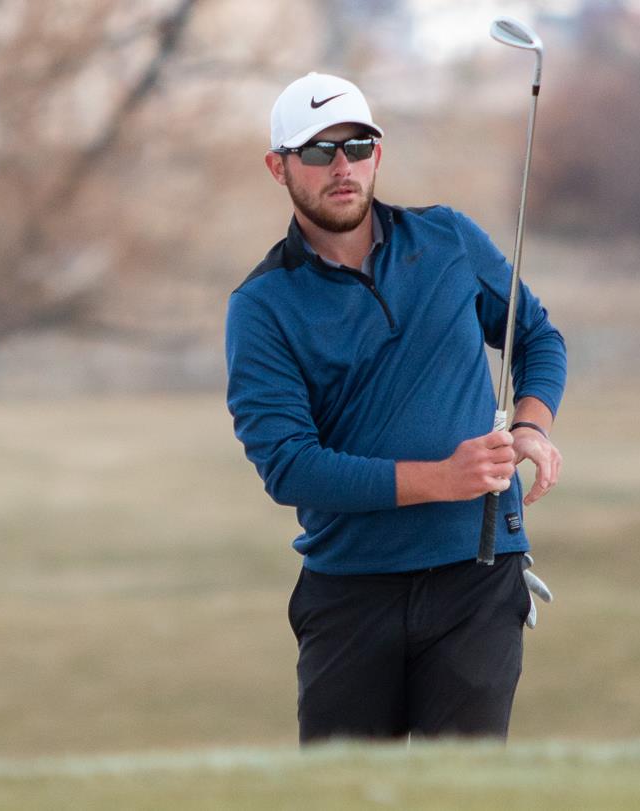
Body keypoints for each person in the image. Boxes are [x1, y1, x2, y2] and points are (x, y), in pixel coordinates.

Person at [224, 72, 568, 744]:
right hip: (349, 590)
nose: (342, 167)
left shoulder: (448, 239)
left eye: (357, 146)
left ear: (377, 153)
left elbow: (536, 336)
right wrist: (443, 477)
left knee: (461, 786)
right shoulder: (262, 305)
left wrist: (531, 425)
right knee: (346, 788)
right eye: (318, 151)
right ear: (278, 166)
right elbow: (290, 467)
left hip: (477, 574)